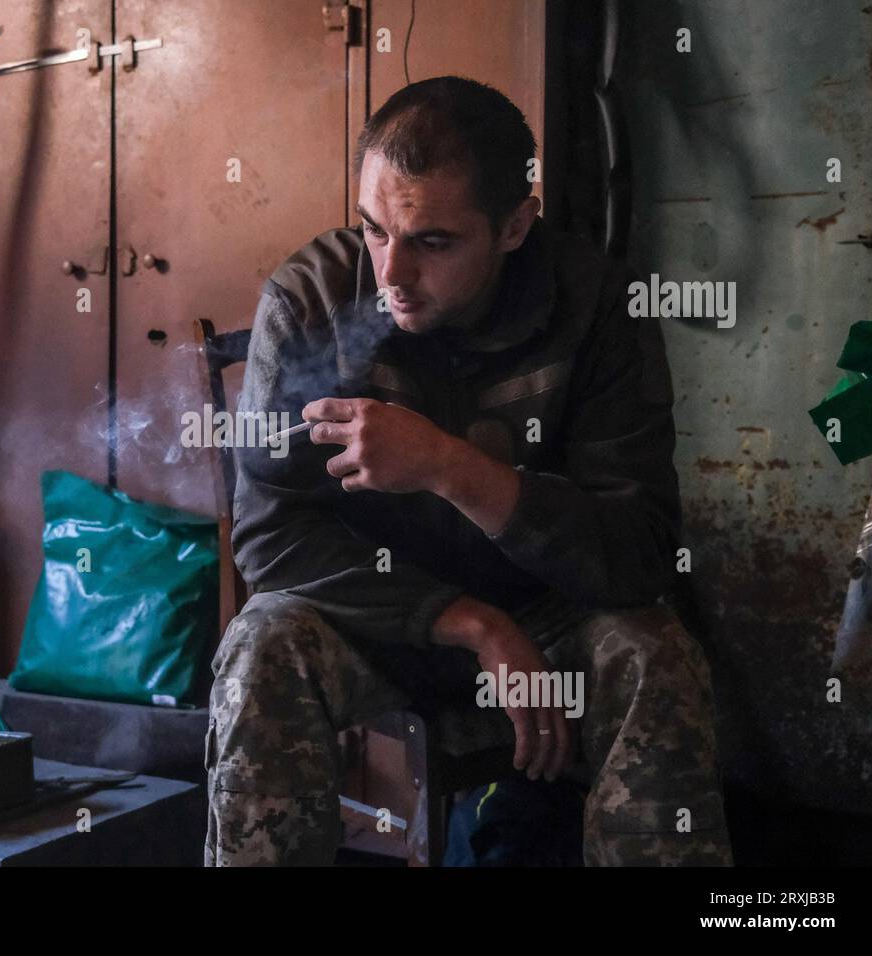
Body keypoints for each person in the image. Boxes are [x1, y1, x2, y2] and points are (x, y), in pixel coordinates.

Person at [203, 76, 733, 867]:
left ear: (517, 223)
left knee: (656, 654)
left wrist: (454, 470)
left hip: (553, 621)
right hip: (377, 622)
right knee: (260, 645)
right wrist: (471, 623)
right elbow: (270, 539)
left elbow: (641, 551)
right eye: (375, 230)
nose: (391, 274)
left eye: (432, 242)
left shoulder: (598, 308)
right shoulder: (310, 298)